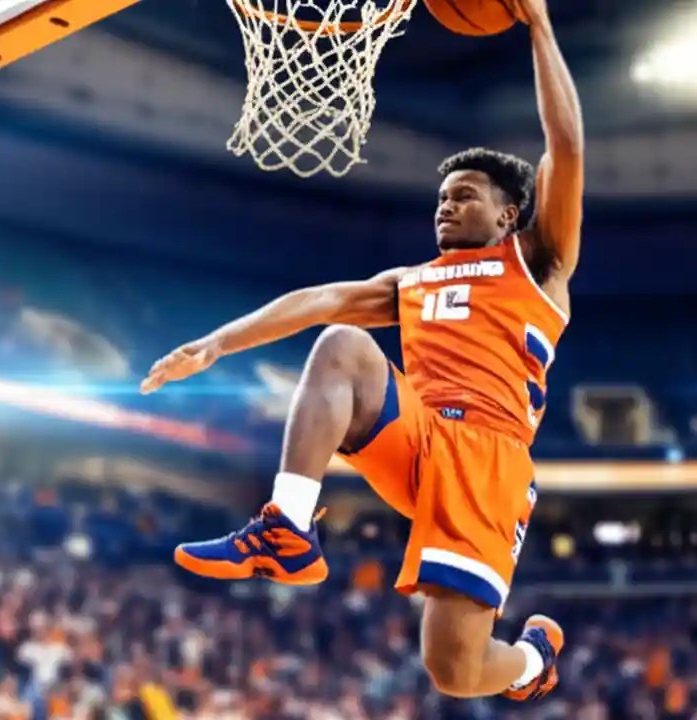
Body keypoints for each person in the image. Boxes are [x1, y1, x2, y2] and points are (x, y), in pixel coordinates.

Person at [140, 0, 582, 701]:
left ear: (506, 213)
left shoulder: (539, 262)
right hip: (417, 435)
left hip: (488, 459)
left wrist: (539, 26)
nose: (445, 205)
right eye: (440, 197)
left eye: (463, 195)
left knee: (454, 670)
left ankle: (533, 660)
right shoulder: (410, 281)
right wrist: (218, 342)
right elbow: (319, 300)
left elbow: (566, 147)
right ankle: (287, 528)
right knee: (342, 341)